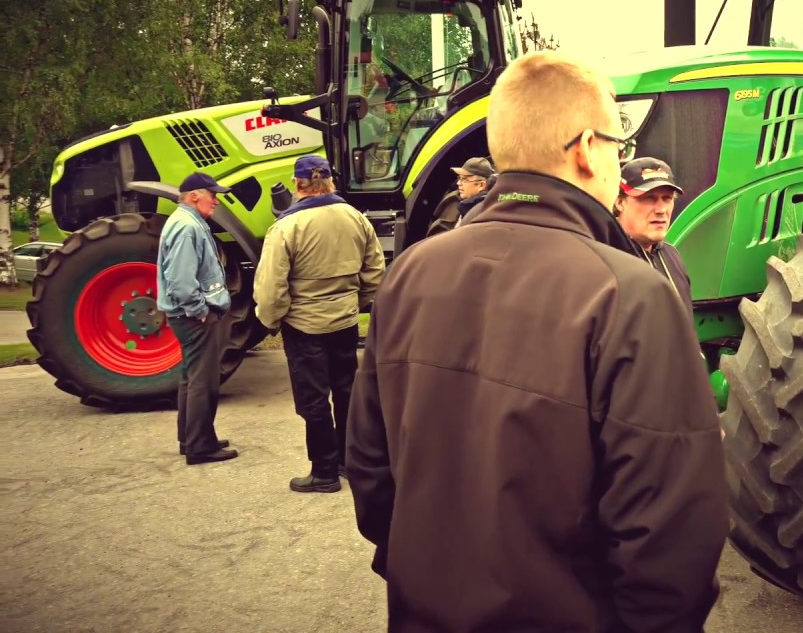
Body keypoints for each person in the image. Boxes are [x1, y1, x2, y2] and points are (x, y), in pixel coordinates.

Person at [346, 50, 729, 632]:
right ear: (583, 149)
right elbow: (670, 535)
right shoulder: (630, 294)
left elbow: (372, 471)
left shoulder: (410, 273)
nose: (617, 162)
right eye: (616, 147)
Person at [254, 154, 385, 493]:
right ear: (329, 181)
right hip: (344, 322)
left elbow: (271, 288)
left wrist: (271, 319)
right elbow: (374, 272)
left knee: (313, 400)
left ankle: (324, 472)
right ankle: (347, 462)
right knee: (346, 392)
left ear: (298, 185)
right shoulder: (356, 218)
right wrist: (354, 304)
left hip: (304, 327)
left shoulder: (286, 227)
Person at [157, 172, 236, 465]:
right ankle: (201, 447)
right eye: (211, 194)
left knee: (191, 379)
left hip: (186, 316)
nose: (216, 200)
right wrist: (199, 309)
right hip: (194, 317)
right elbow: (180, 279)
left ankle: (191, 437)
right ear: (193, 196)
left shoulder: (183, 222)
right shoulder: (187, 227)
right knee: (203, 381)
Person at [615, 156, 692, 312]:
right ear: (620, 203)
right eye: (649, 198)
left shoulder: (672, 255)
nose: (661, 210)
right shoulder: (604, 262)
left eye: (667, 198)